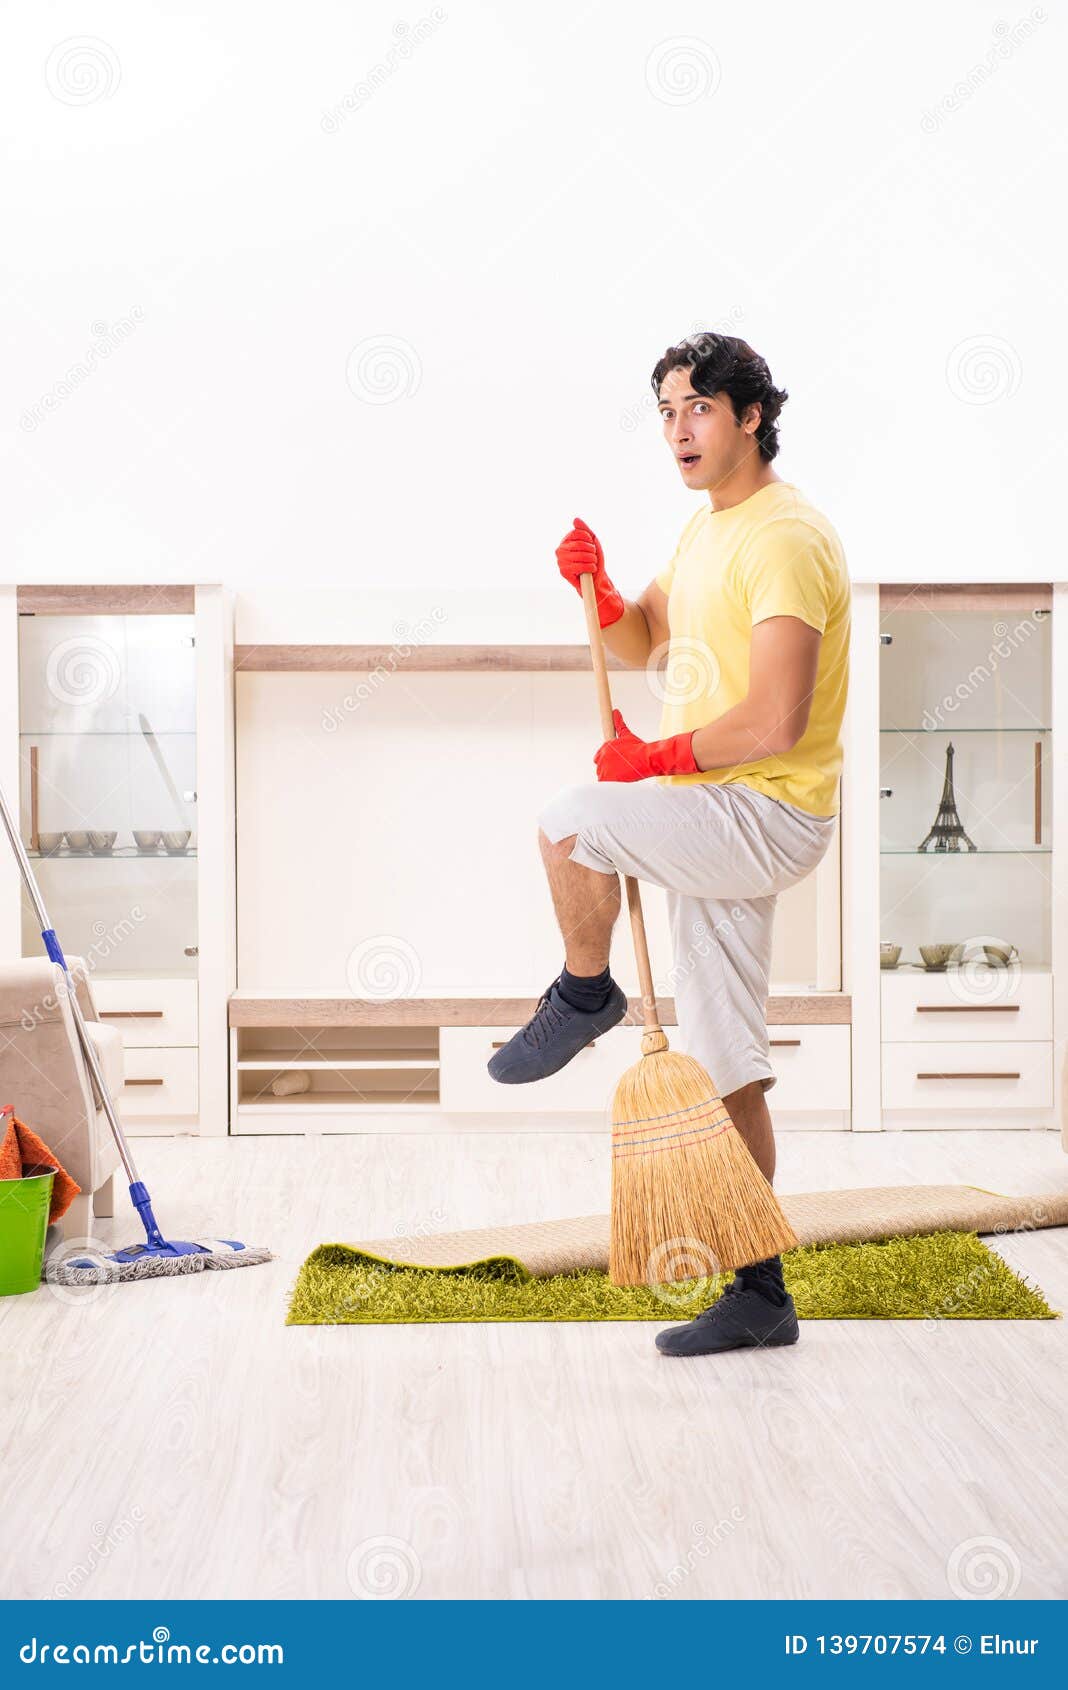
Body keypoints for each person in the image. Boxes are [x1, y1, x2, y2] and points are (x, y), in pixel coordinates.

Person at [488, 331, 851, 1357]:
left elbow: (776, 719)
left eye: (699, 406)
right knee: (729, 1057)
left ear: (751, 416)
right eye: (666, 411)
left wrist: (654, 760)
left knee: (570, 818)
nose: (679, 427)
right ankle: (761, 1292)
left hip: (765, 809)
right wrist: (598, 594)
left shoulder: (787, 536)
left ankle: (585, 991)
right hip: (715, 813)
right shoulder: (704, 533)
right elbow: (643, 640)